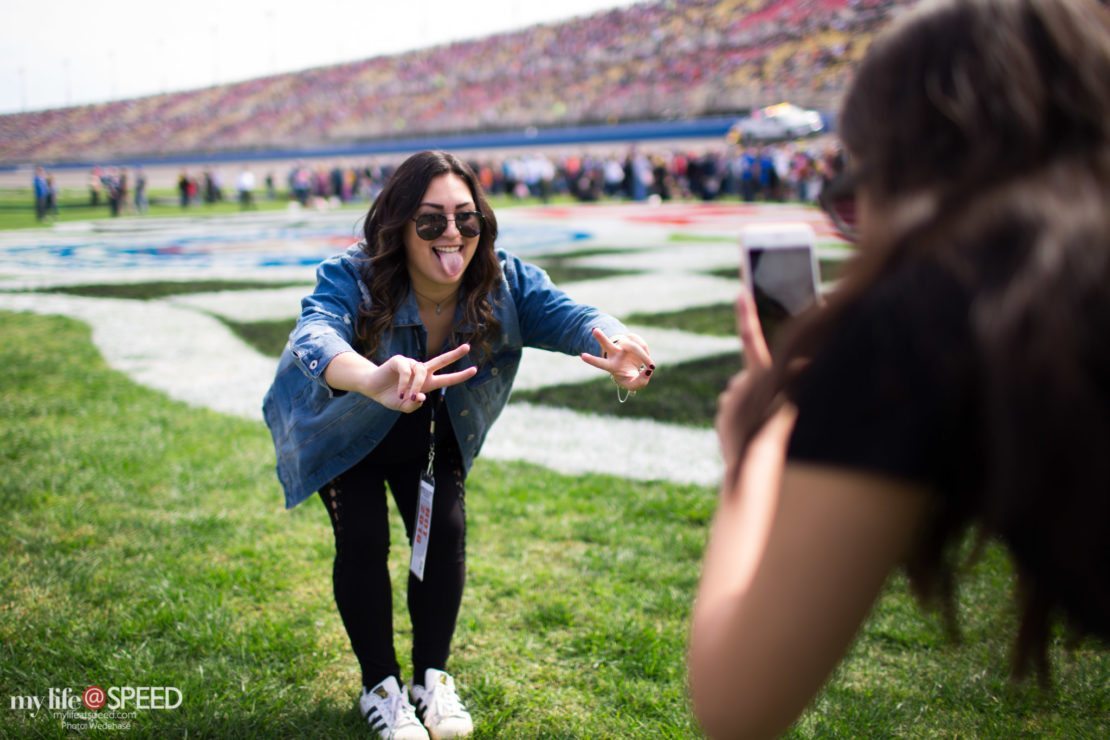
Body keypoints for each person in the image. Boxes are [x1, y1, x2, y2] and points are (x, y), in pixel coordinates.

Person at [687, 0, 1110, 737]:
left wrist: (753, 455)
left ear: (905, 166)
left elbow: (736, 705)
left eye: (853, 188)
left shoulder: (926, 315)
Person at [263, 150, 654, 739]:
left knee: (443, 533)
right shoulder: (354, 274)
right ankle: (382, 688)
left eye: (466, 219)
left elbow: (568, 313)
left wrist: (617, 341)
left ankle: (431, 679)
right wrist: (372, 377)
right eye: (431, 220)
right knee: (364, 539)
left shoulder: (503, 280)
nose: (452, 234)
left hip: (431, 434)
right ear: (399, 225)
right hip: (346, 426)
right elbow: (313, 333)